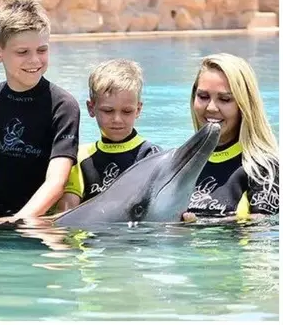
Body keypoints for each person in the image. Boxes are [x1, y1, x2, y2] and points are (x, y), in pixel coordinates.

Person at [0, 0, 80, 222]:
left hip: (43, 219)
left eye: (42, 50)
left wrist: (21, 220)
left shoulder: (63, 105)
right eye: (22, 52)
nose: (34, 60)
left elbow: (56, 180)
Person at [184, 53, 279, 219]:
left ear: (244, 105)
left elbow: (263, 233)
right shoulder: (183, 164)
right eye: (203, 96)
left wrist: (198, 225)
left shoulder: (263, 169)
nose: (211, 108)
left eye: (225, 99)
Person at [60, 59, 161, 211]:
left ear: (138, 109)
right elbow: (66, 213)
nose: (117, 120)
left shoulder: (152, 156)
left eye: (127, 111)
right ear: (91, 108)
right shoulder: (80, 157)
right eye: (108, 111)